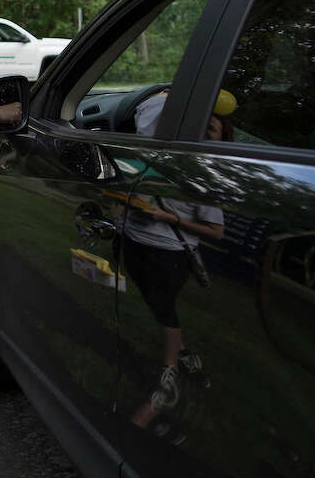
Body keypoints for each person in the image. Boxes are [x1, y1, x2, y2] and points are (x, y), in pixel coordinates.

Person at [125, 91, 227, 431]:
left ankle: (169, 381)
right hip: (135, 242)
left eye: (214, 130)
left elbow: (216, 231)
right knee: (154, 306)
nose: (207, 128)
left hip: (170, 252)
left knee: (164, 309)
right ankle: (186, 357)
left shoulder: (204, 176)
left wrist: (170, 219)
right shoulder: (156, 157)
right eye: (204, 124)